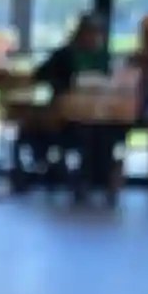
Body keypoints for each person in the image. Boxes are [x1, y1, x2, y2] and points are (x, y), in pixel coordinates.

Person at [13, 14, 111, 193]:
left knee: (99, 133)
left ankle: (90, 177)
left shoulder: (103, 58)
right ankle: (39, 172)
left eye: (96, 34)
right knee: (31, 125)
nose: (93, 38)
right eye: (89, 33)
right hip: (64, 111)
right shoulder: (64, 55)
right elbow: (39, 75)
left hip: (95, 113)